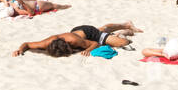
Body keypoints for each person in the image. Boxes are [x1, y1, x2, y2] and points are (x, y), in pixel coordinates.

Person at [13, 22, 141, 57]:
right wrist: (20, 50)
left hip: (90, 33)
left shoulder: (75, 41)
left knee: (123, 42)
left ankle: (125, 30)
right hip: (79, 31)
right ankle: (122, 24)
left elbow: (95, 43)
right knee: (103, 29)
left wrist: (88, 49)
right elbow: (27, 44)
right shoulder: (47, 42)